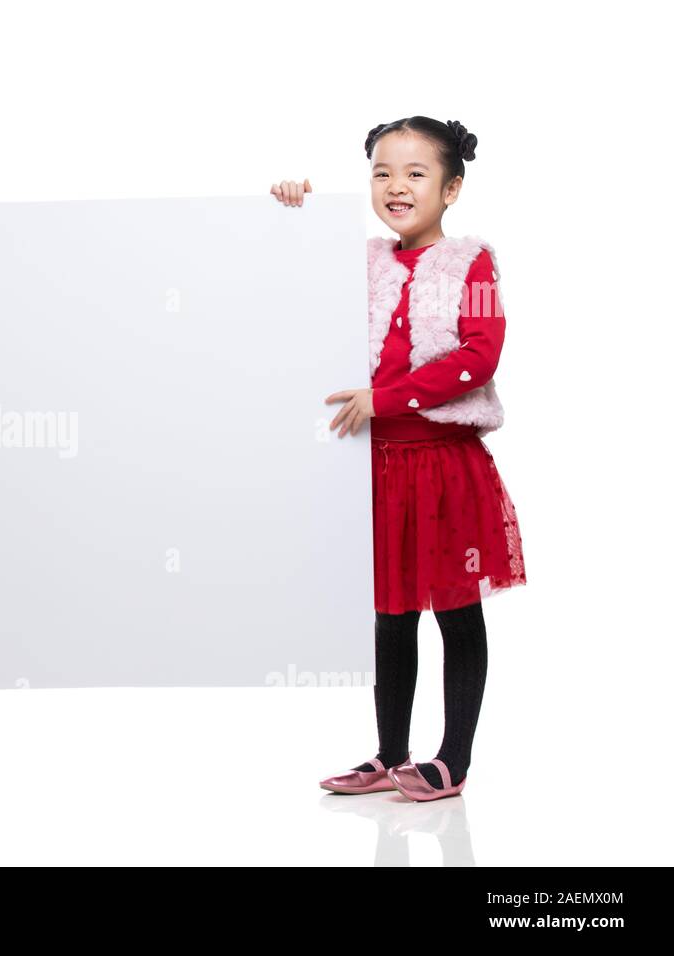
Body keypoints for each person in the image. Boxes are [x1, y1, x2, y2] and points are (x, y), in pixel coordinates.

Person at [272, 116, 527, 801]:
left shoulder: (474, 262)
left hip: (443, 466)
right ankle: (389, 752)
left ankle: (454, 759)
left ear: (452, 189)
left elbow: (479, 357)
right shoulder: (359, 261)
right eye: (382, 172)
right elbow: (290, 290)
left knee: (454, 609)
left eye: (416, 173)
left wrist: (390, 398)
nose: (396, 185)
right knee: (389, 613)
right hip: (373, 470)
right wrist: (292, 215)